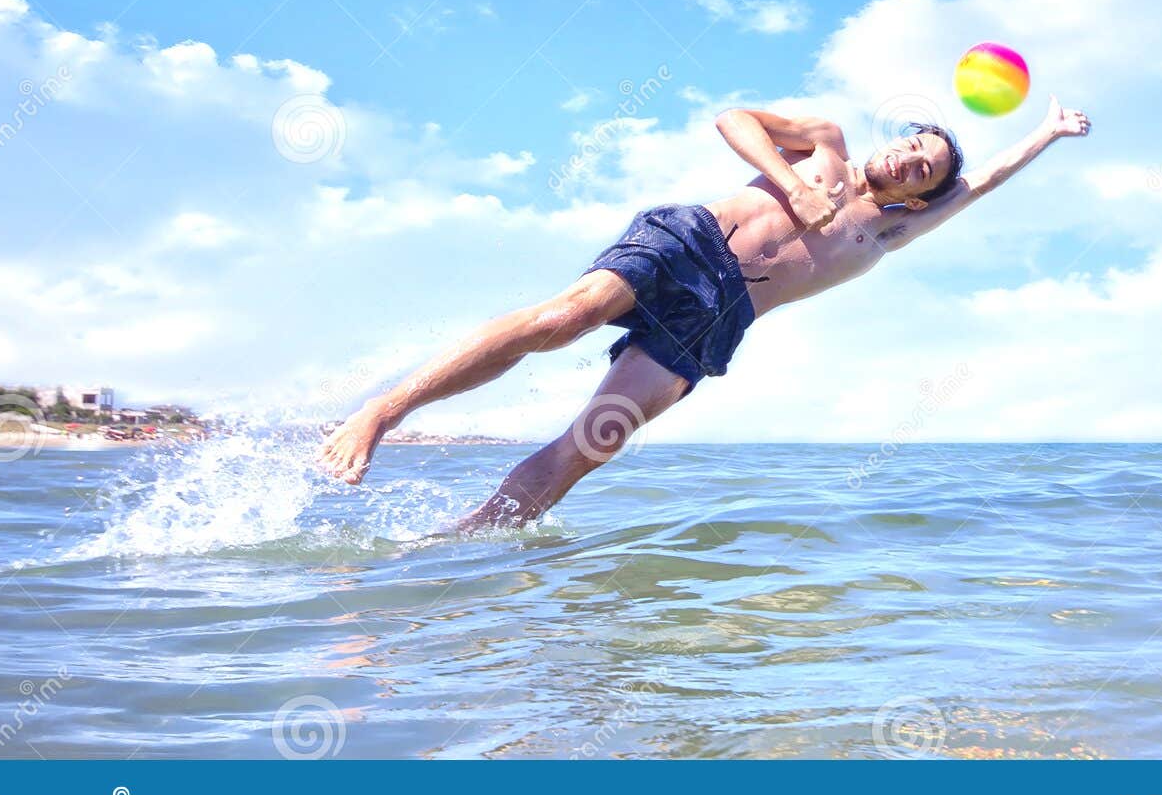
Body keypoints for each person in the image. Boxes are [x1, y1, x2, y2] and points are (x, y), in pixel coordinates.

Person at [319, 94, 1092, 526]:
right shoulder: (825, 143)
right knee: (563, 319)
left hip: (720, 317)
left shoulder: (889, 232)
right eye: (911, 143)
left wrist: (1047, 133)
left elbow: (982, 180)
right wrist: (791, 185)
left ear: (919, 194)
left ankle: (462, 546)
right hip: (688, 241)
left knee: (596, 440)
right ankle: (384, 411)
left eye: (921, 167)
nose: (906, 158)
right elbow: (733, 118)